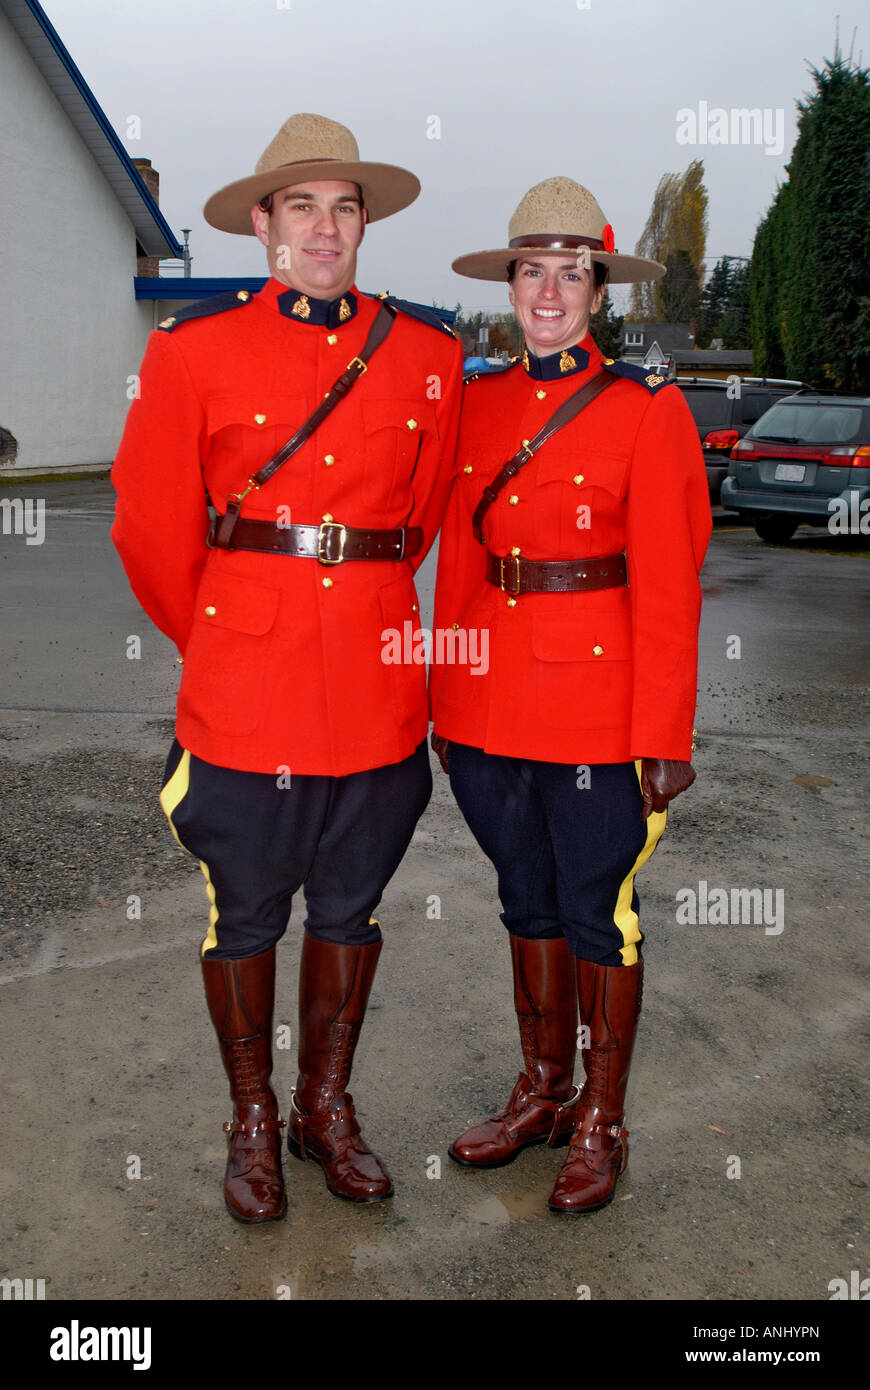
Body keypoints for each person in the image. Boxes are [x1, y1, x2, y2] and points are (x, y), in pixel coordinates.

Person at [112, 113, 462, 1222]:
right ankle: (252, 1119)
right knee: (248, 917)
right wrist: (225, 629)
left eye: (343, 206)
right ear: (263, 223)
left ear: (365, 225)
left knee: (350, 913)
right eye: (300, 205)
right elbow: (151, 527)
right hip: (245, 687)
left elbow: (428, 514)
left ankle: (326, 1107)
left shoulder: (428, 355)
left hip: (373, 681)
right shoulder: (190, 350)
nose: (324, 226)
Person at [430, 177, 711, 1214]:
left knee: (601, 917)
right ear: (511, 284)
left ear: (600, 289)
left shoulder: (649, 409)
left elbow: (673, 583)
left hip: (599, 710)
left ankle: (602, 1115)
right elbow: (462, 562)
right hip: (492, 709)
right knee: (526, 901)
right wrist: (445, 696)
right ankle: (542, 1091)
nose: (551, 291)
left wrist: (663, 731)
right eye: (533, 271)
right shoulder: (480, 402)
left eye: (573, 272)